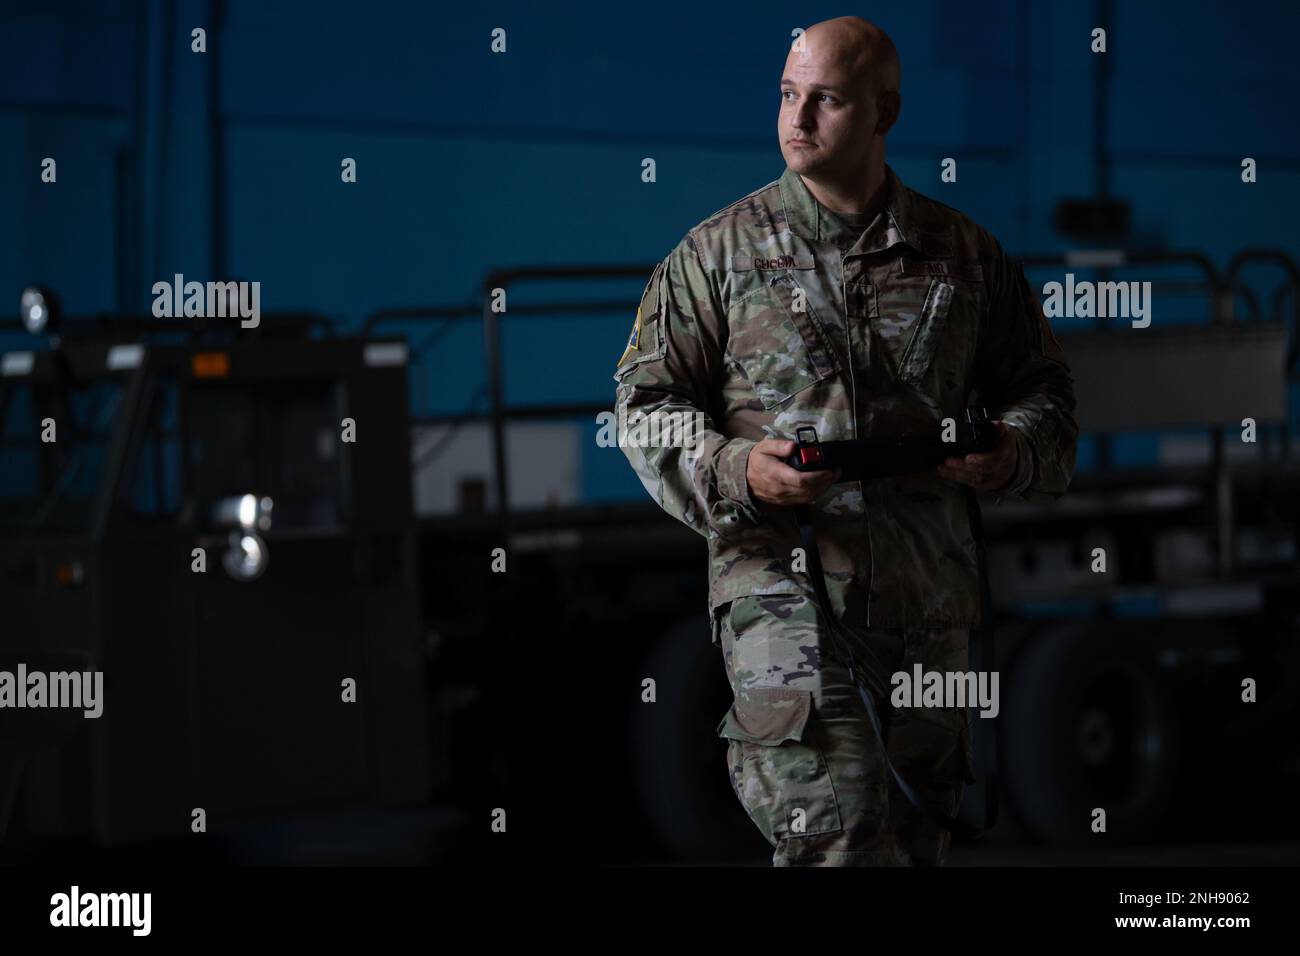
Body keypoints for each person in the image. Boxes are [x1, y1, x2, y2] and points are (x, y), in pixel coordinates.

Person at [613, 15, 1077, 865]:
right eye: (788, 96)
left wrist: (1009, 448)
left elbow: (1045, 390)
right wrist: (735, 467)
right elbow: (645, 407)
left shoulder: (962, 256)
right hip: (783, 598)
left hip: (928, 604)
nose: (798, 118)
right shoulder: (716, 258)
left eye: (825, 100)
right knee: (841, 836)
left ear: (883, 112)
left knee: (914, 838)